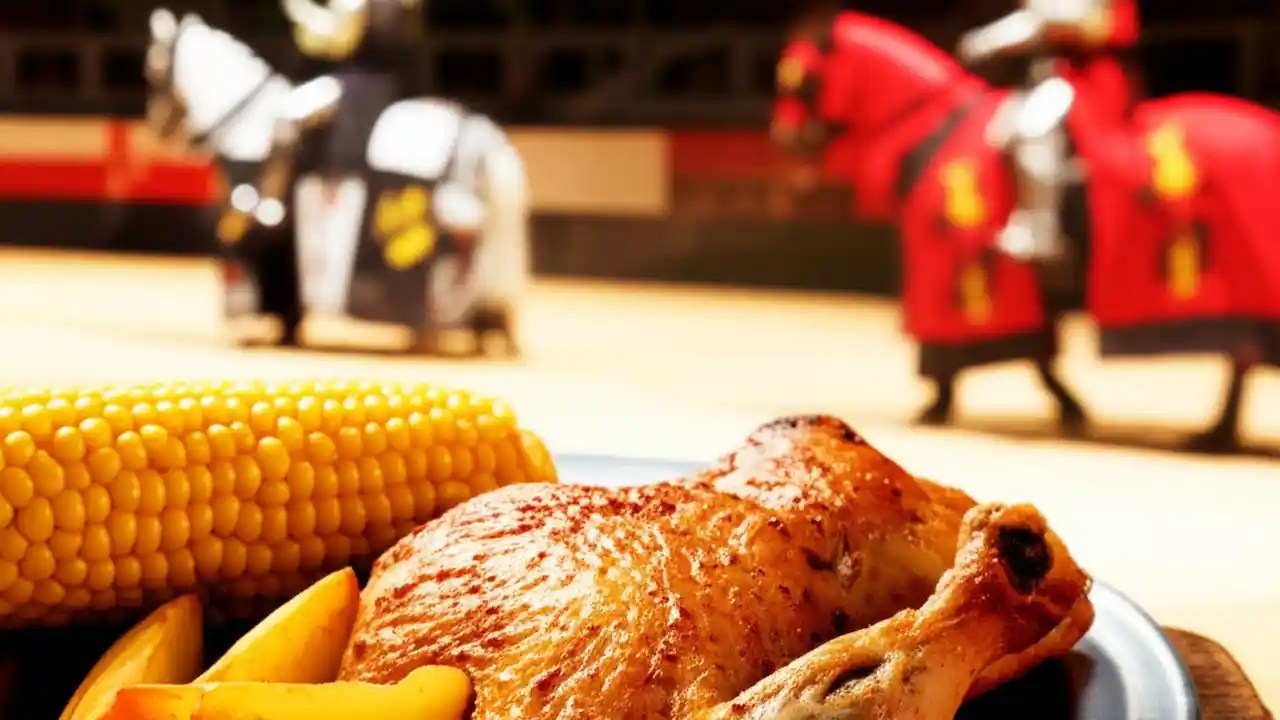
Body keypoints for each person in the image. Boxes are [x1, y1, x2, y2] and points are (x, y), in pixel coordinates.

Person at [955, 0, 1141, 263]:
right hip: (1050, 79)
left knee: (1034, 128)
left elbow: (1091, 27)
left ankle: (1040, 229)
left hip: (1090, 78)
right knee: (997, 128)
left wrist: (997, 38)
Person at [229, 0, 425, 230]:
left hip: (359, 83)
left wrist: (298, 8)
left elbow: (332, 40)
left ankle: (271, 198)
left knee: (288, 113)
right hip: (373, 80)